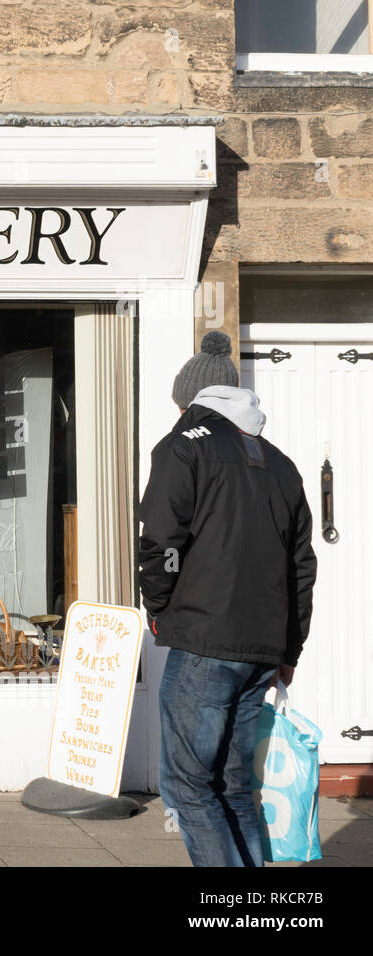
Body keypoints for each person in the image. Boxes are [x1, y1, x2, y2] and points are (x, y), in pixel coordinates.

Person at [137, 330, 317, 867]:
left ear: (192, 400)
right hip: (261, 650)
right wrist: (289, 650)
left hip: (204, 643)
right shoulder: (282, 465)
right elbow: (300, 568)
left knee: (189, 787)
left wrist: (160, 609)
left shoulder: (182, 447)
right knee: (236, 787)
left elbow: (160, 542)